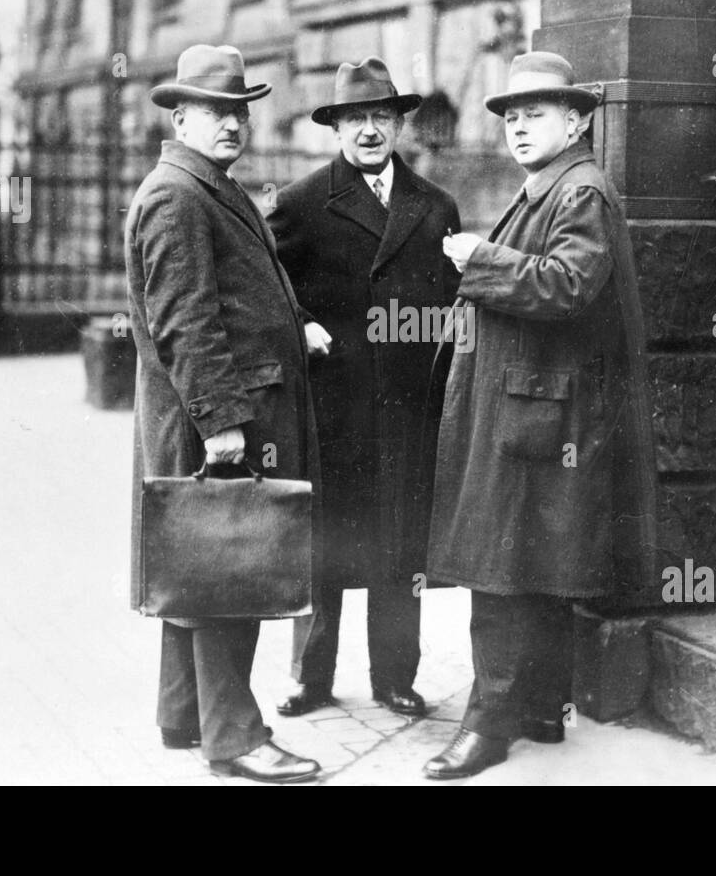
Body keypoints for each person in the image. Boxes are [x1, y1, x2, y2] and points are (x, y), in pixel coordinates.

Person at [422, 51, 657, 779]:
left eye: (535, 114)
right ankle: (542, 710)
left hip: (538, 413)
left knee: (499, 569)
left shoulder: (577, 189)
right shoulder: (556, 183)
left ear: (577, 119)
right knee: (532, 563)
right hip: (536, 409)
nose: (519, 129)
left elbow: (567, 286)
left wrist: (480, 260)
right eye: (512, 117)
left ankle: (488, 726)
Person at [124, 44, 322, 784]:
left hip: (221, 405)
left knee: (195, 560)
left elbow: (241, 290)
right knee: (228, 567)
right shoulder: (178, 195)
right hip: (217, 413)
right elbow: (186, 321)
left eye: (240, 109)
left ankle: (183, 716)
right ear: (181, 116)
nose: (233, 122)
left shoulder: (207, 186)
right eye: (216, 110)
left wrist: (293, 321)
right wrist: (221, 422)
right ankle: (235, 738)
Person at [268, 57, 461, 719]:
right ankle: (310, 677)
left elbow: (452, 306)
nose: (370, 131)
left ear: (400, 122)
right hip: (333, 408)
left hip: (407, 410)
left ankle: (395, 678)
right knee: (323, 544)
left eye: (381, 116)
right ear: (336, 128)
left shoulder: (436, 208)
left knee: (397, 544)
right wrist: (303, 326)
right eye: (356, 119)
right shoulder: (299, 204)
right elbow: (266, 290)